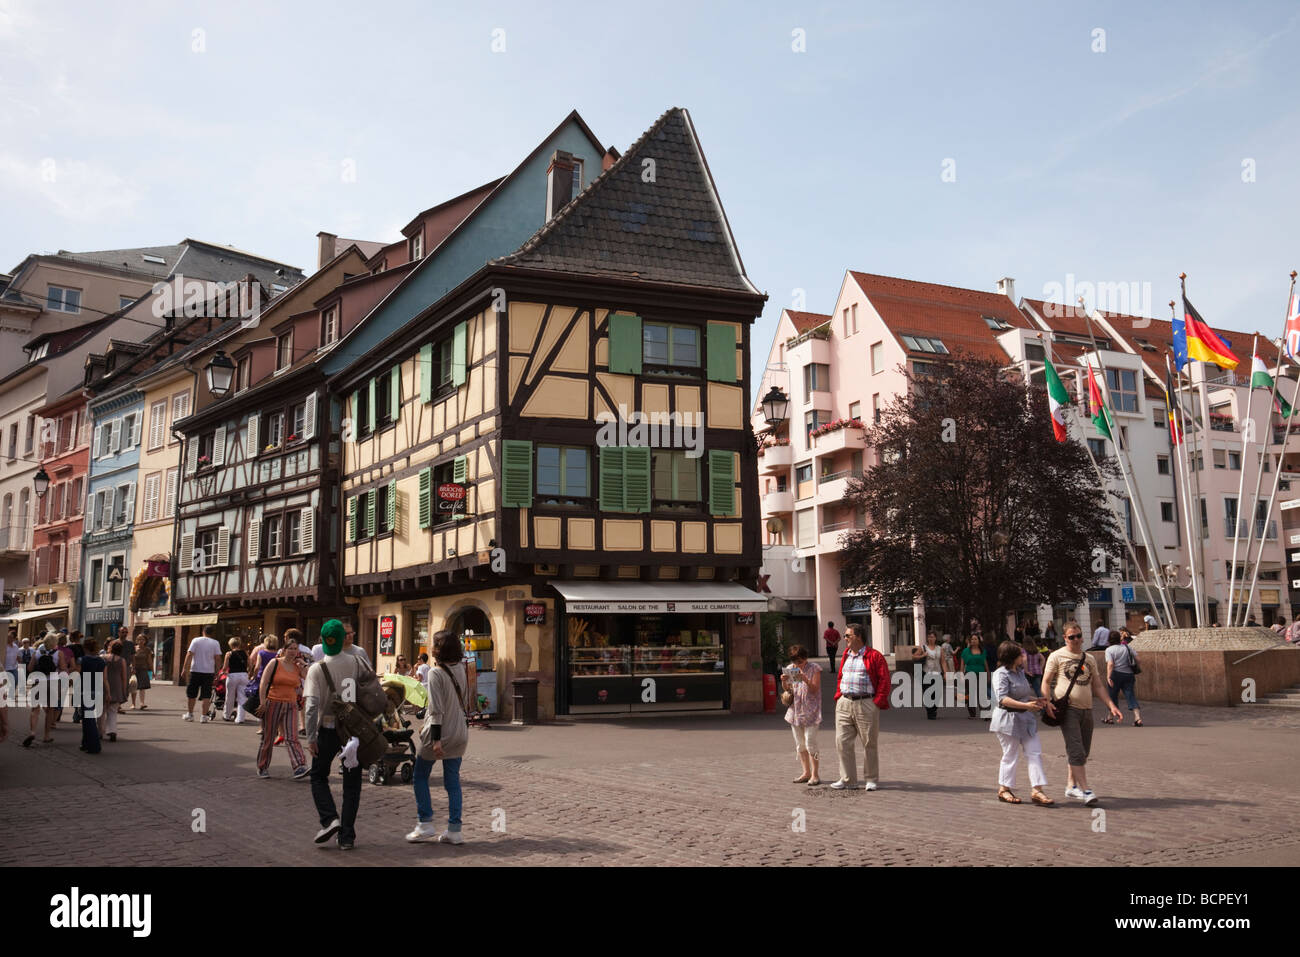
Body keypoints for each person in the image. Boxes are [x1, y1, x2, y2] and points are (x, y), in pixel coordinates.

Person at [1042, 622, 1123, 805]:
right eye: (1072, 637)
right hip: (1068, 709)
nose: (1076, 640)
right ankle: (1086, 790)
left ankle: (1071, 786)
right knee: (1076, 749)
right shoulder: (1056, 656)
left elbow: (1098, 685)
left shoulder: (1089, 659)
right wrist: (1047, 702)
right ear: (1065, 638)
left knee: (1083, 751)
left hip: (1087, 709)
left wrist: (1111, 705)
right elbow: (1046, 681)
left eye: (1078, 636)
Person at [305, 619, 366, 849]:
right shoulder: (358, 662)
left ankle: (330, 819)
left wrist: (311, 737)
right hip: (353, 732)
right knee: (352, 783)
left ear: (322, 640)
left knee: (318, 776)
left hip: (328, 730)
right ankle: (347, 837)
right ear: (344, 639)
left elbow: (311, 706)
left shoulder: (316, 668)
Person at [406, 630, 471, 844]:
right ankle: (455, 830)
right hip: (459, 732)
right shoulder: (462, 669)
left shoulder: (435, 673)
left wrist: (435, 740)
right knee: (453, 782)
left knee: (420, 776)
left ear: (438, 649)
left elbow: (436, 710)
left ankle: (425, 824)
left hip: (441, 732)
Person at [990, 640, 1053, 806]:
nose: (1024, 656)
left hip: (1025, 719)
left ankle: (1037, 790)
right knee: (1010, 754)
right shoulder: (1000, 674)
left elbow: (1022, 694)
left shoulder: (1019, 672)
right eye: (1020, 654)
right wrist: (1026, 705)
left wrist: (1035, 700)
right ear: (1011, 656)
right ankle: (1004, 789)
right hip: (1007, 720)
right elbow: (1003, 698)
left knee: (1034, 752)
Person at [830, 623, 890, 791]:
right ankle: (848, 779)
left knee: (869, 743)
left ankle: (870, 779)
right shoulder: (846, 655)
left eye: (847, 635)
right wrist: (838, 695)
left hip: (866, 703)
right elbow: (840, 676)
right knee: (842, 742)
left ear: (858, 636)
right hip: (844, 702)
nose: (845, 638)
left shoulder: (875, 656)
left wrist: (877, 701)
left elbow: (884, 680)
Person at [254, 636, 309, 779]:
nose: (292, 651)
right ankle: (262, 766)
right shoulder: (275, 663)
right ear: (284, 650)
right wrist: (262, 702)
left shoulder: (297, 667)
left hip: (291, 704)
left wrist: (303, 664)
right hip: (273, 702)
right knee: (269, 736)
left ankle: (299, 766)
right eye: (290, 648)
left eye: (295, 649)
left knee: (292, 736)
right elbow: (264, 683)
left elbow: (309, 677)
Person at [780, 645, 822, 785]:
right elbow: (789, 690)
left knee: (811, 744)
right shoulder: (792, 668)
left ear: (805, 658)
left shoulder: (814, 668)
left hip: (811, 711)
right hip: (795, 711)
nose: (798, 664)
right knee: (800, 745)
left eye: (800, 661)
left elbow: (815, 689)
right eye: (795, 662)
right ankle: (806, 772)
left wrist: (805, 679)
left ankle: (815, 774)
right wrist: (784, 681)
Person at [23, 635, 61, 746]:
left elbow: (29, 668)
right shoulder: (59, 654)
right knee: (50, 710)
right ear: (55, 643)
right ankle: (46, 735)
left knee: (35, 709)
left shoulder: (37, 653)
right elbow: (64, 668)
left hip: (38, 680)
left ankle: (32, 732)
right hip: (53, 682)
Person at [181, 624, 224, 722]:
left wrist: (184, 668)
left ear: (203, 631)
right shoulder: (215, 643)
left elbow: (189, 654)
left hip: (195, 670)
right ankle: (203, 716)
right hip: (208, 672)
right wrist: (218, 672)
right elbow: (218, 658)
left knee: (191, 694)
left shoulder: (196, 640)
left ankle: (190, 714)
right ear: (212, 633)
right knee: (206, 695)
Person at [1104, 631, 1143, 727]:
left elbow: (1110, 664)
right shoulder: (1127, 647)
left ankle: (1110, 718)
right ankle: (1137, 718)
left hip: (1115, 675)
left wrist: (1108, 676)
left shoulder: (1109, 650)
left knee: (1112, 696)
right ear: (1119, 639)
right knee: (1130, 695)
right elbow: (1138, 659)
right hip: (1129, 675)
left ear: (1109, 639)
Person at [77, 638, 105, 754]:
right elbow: (104, 678)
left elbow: (77, 676)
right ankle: (85, 743)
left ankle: (94, 746)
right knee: (88, 718)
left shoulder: (82, 660)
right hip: (98, 690)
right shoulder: (101, 661)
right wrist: (107, 693)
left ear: (85, 648)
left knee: (88, 720)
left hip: (86, 690)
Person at [98, 640, 130, 743]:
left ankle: (100, 732)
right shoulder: (122, 660)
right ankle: (112, 731)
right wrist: (124, 690)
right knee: (113, 711)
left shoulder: (103, 658)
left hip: (103, 685)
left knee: (101, 711)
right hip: (117, 686)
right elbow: (124, 677)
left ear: (110, 648)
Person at [913, 631, 945, 720]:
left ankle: (934, 708)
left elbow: (943, 661)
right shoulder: (923, 647)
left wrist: (945, 673)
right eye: (929, 637)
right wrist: (923, 655)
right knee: (928, 693)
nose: (931, 638)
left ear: (935, 638)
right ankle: (930, 712)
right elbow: (914, 656)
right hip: (926, 673)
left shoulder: (940, 648)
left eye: (933, 637)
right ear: (927, 638)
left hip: (938, 673)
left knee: (938, 693)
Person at [960, 634, 988, 719]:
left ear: (979, 641)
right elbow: (962, 664)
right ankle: (972, 714)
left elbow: (985, 663)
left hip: (981, 673)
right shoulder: (965, 651)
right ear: (970, 641)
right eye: (972, 639)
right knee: (971, 694)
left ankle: (985, 713)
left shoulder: (983, 651)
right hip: (969, 674)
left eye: (975, 639)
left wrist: (988, 674)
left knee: (982, 694)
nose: (974, 641)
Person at [221, 637, 249, 723]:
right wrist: (249, 672)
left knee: (230, 696)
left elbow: (225, 667)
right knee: (242, 697)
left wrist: (223, 673)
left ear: (231, 644)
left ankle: (227, 715)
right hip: (244, 675)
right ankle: (240, 718)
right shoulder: (245, 653)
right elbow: (250, 664)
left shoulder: (229, 654)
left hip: (232, 675)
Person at [130, 633, 151, 710]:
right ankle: (133, 704)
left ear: (145, 641)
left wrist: (152, 671)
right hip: (134, 670)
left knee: (142, 687)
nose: (141, 641)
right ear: (136, 640)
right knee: (134, 686)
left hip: (143, 669)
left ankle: (142, 703)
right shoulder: (134, 648)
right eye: (139, 639)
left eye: (142, 639)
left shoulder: (147, 649)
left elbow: (149, 661)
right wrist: (132, 667)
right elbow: (131, 659)